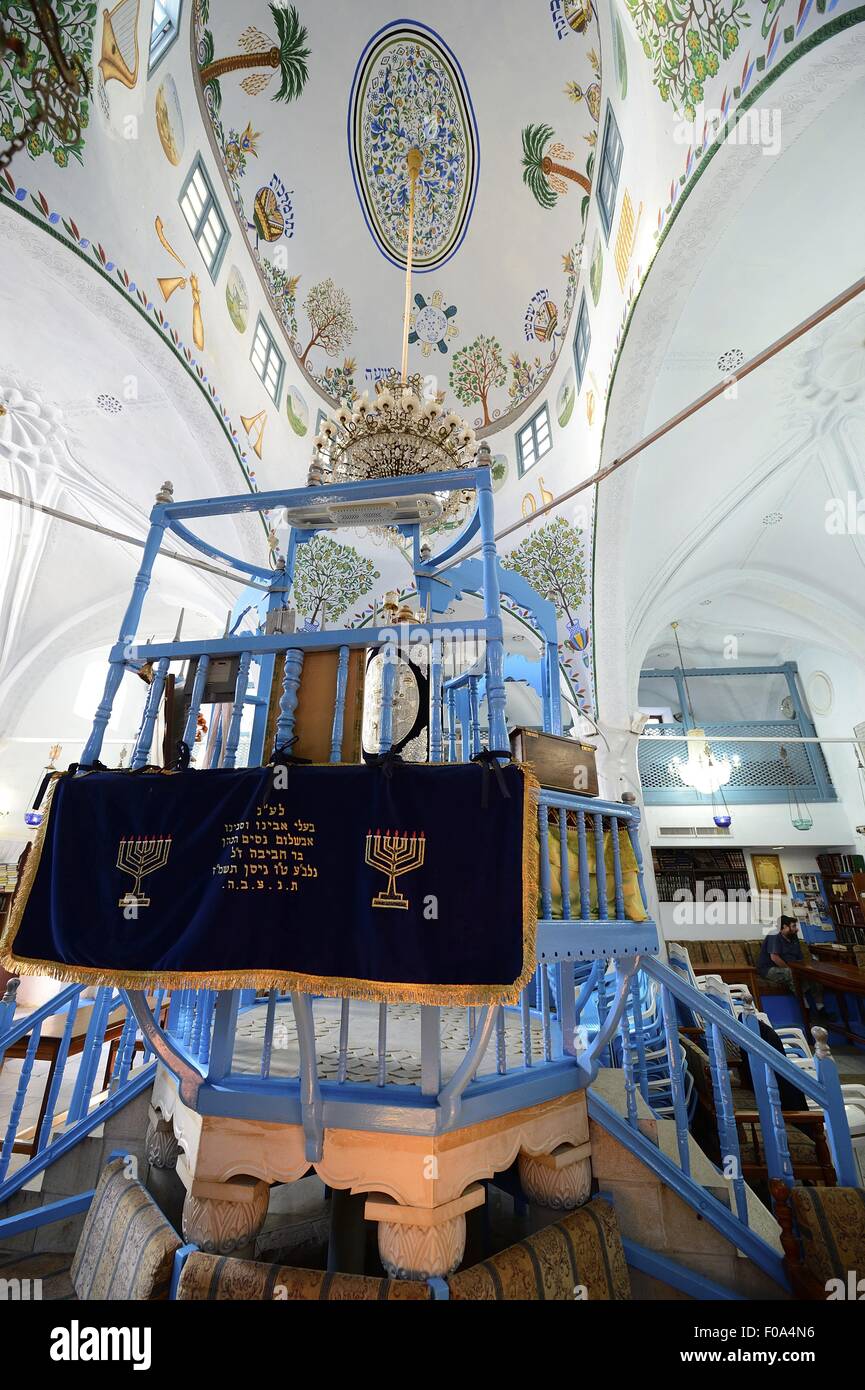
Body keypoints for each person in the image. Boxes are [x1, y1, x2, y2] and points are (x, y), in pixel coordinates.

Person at [757, 914, 828, 1017]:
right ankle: (806, 1010)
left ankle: (821, 1009)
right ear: (785, 927)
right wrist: (793, 969)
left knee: (812, 973)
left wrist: (805, 968)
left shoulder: (794, 937)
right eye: (794, 926)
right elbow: (775, 958)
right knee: (792, 974)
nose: (797, 929)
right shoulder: (773, 935)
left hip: (792, 967)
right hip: (769, 969)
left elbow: (799, 958)